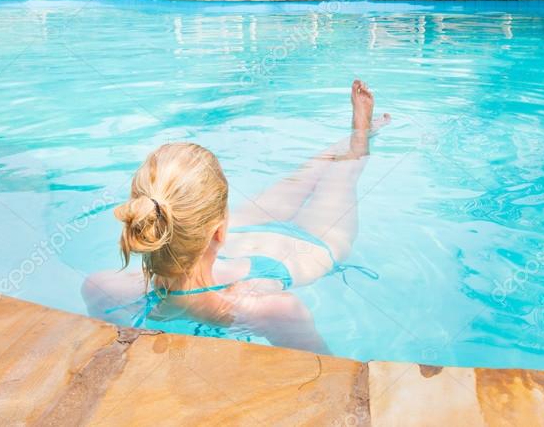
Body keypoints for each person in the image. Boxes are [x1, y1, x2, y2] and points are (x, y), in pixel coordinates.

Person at [82, 80, 387, 353]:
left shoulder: (100, 288)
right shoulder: (272, 311)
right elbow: (331, 381)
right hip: (299, 249)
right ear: (218, 230)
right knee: (328, 178)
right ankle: (358, 137)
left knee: (308, 179)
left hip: (247, 240)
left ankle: (355, 137)